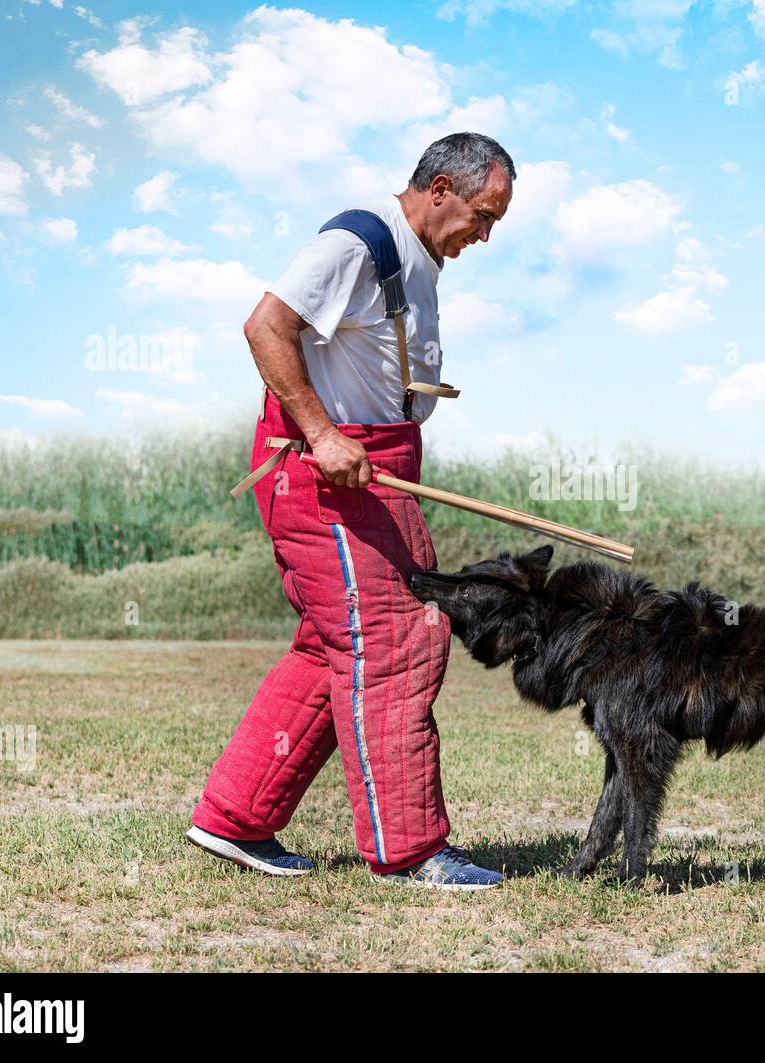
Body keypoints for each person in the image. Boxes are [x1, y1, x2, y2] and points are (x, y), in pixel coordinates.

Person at [186, 132, 515, 890]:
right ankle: (408, 851)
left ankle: (234, 817)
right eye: (482, 214)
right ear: (439, 187)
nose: (486, 234)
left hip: (383, 469)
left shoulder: (417, 259)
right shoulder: (359, 240)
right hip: (322, 472)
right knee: (395, 639)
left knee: (334, 645)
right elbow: (265, 325)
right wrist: (322, 432)